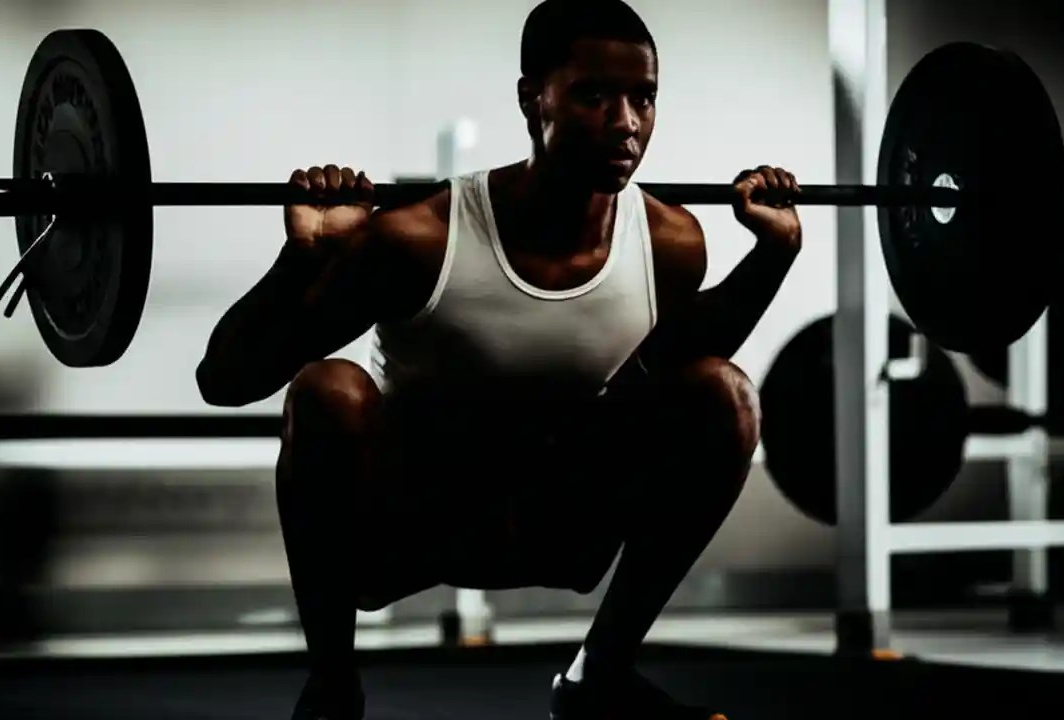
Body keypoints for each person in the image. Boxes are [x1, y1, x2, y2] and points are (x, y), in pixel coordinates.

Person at [196, 0, 801, 717]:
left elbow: (685, 382)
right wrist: (301, 260)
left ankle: (599, 677)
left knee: (727, 394)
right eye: (593, 94)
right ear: (530, 97)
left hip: (559, 526)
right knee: (326, 391)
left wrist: (775, 254)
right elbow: (228, 380)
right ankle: (333, 688)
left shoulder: (671, 244)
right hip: (413, 526)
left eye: (643, 96)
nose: (626, 123)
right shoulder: (420, 238)